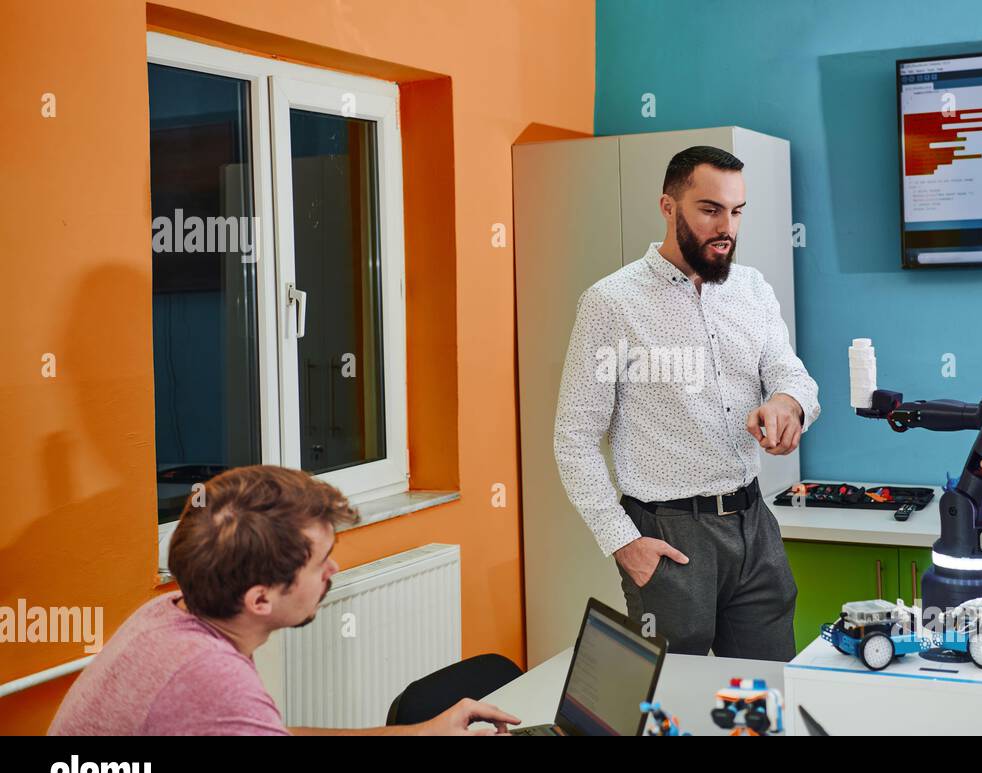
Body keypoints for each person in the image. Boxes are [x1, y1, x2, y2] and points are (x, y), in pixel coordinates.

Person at [554, 145, 820, 660]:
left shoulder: (752, 289)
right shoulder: (612, 303)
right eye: (710, 209)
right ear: (668, 206)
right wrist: (621, 541)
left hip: (753, 525)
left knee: (767, 696)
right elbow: (574, 438)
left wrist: (788, 402)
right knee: (676, 704)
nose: (727, 227)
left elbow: (791, 373)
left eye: (737, 211)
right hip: (668, 537)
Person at [49, 465, 520, 735]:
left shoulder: (168, 613)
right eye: (320, 563)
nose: (333, 571)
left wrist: (419, 733)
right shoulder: (208, 679)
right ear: (259, 599)